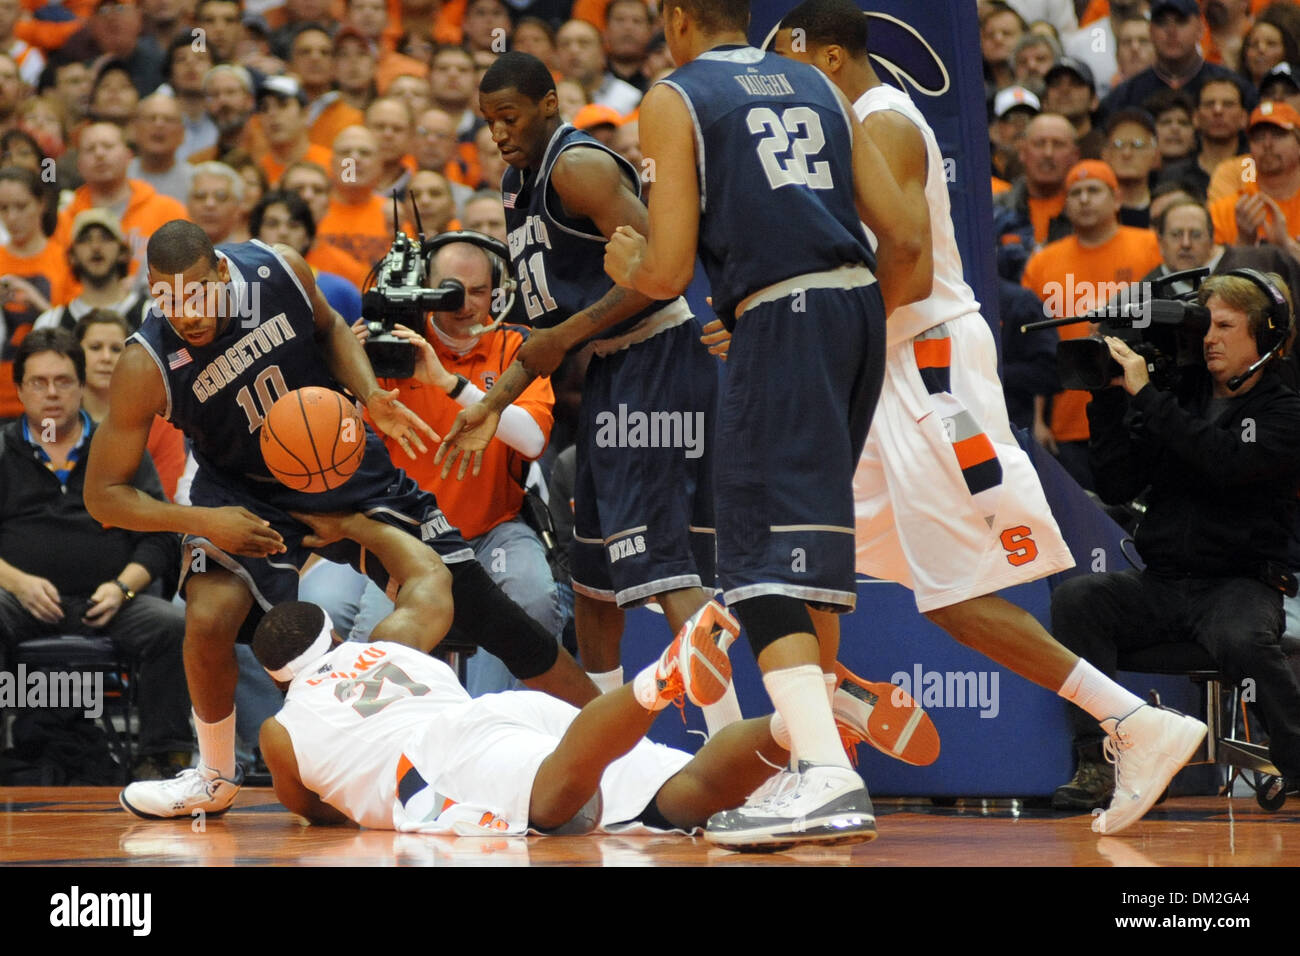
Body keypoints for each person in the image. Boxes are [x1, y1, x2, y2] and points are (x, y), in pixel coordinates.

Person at [768, 0, 1205, 843]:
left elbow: (906, 261)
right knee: (809, 556)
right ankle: (823, 743)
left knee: (954, 595)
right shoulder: (850, 127)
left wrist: (820, 339)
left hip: (925, 368)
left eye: (787, 70)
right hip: (883, 365)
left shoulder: (883, 123)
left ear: (820, 56)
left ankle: (1132, 721)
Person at [83, 220, 598, 821]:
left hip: (343, 461)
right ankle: (216, 774)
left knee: (488, 611)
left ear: (223, 272)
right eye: (169, 298)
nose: (187, 312)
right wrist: (205, 521)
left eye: (198, 293)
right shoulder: (145, 363)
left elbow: (330, 328)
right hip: (243, 491)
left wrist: (370, 394)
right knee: (209, 614)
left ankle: (616, 736)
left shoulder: (278, 270)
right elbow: (105, 496)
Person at [593, 0, 933, 849]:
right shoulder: (822, 85)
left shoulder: (675, 98)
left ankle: (823, 770)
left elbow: (668, 269)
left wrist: (628, 261)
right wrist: (838, 318)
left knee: (754, 556)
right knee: (803, 549)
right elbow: (905, 239)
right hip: (857, 315)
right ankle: (813, 753)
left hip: (784, 320)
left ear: (675, 18)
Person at [436, 52, 726, 721]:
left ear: (548, 103)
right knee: (594, 585)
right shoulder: (516, 184)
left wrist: (569, 337)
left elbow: (666, 265)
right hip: (607, 375)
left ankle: (728, 744)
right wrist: (491, 402)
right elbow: (545, 335)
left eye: (509, 116)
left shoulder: (578, 166)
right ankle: (607, 746)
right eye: (488, 122)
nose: (499, 132)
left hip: (659, 360)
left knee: (664, 562)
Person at [253, 509, 780, 836]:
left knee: (553, 802)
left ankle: (658, 679)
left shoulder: (282, 729)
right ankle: (811, 720)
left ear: (279, 679)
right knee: (683, 798)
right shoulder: (394, 639)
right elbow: (428, 570)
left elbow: (310, 808)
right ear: (337, 638)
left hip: (438, 759)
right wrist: (356, 526)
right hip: (503, 713)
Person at [1051, 271, 1300, 808]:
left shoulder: (1284, 411)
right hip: (1162, 583)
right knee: (1079, 599)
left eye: (1226, 326)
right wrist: (1110, 400)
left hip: (1238, 584)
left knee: (1240, 638)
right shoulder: (1175, 397)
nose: (1209, 338)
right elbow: (1118, 483)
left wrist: (1149, 399)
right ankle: (1099, 761)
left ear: (1267, 337)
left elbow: (1225, 463)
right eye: (1205, 325)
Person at [0, 327, 191, 779]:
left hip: (109, 601)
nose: (51, 394)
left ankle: (161, 763)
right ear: (19, 388)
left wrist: (124, 587)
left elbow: (161, 533)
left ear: (82, 386)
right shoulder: (2, 451)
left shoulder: (118, 446)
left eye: (63, 381)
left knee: (174, 624)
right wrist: (17, 582)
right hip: (17, 600)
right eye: (39, 382)